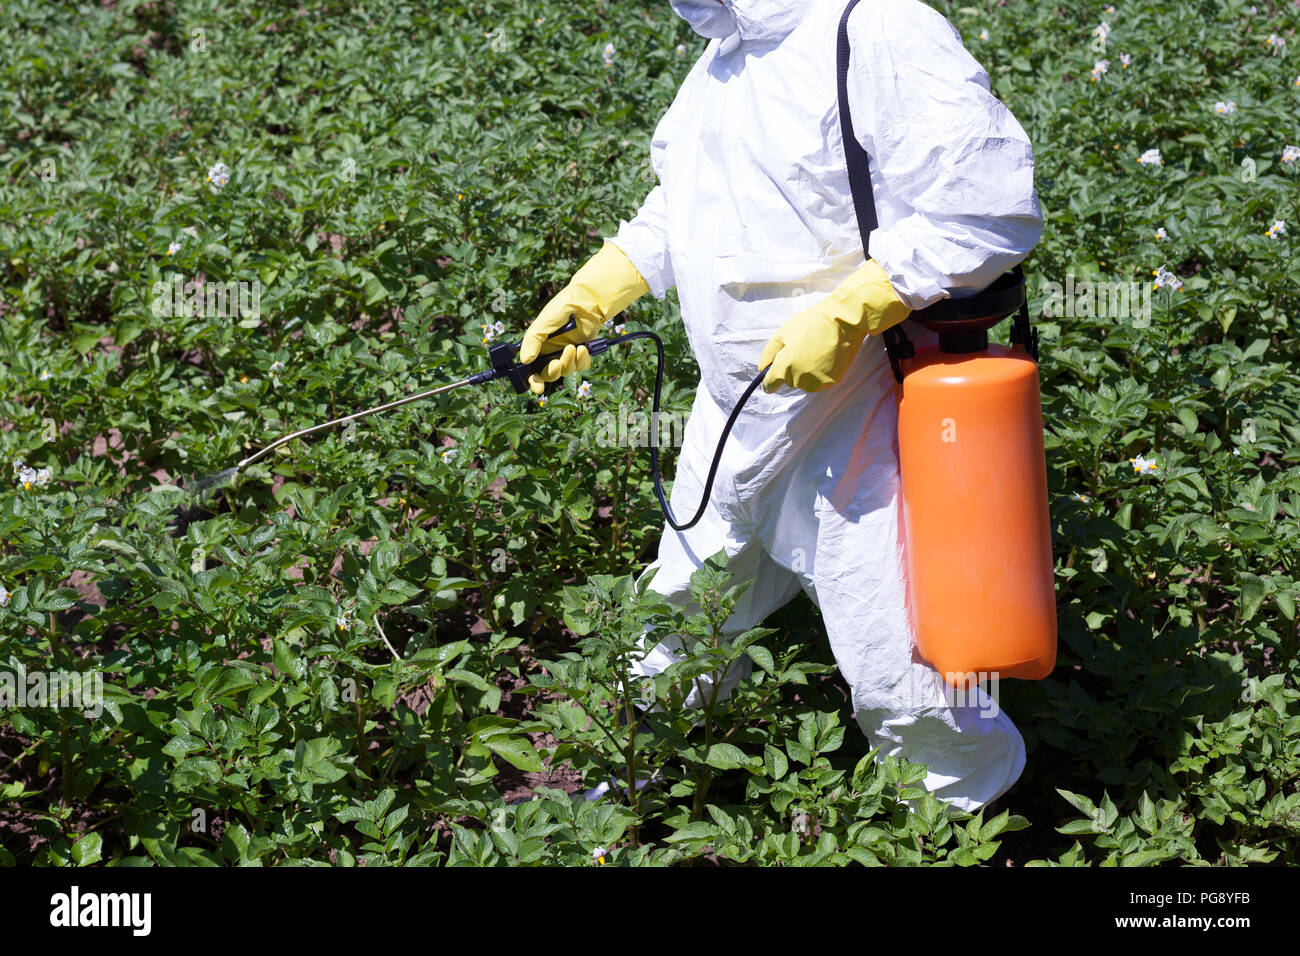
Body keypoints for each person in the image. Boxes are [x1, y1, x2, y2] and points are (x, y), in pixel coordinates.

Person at [518, 0, 1043, 812]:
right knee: (682, 609)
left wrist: (862, 302)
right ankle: (634, 781)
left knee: (899, 655)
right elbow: (684, 207)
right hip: (732, 408)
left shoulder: (877, 27)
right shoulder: (722, 62)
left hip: (860, 408)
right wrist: (603, 285)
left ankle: (960, 817)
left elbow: (985, 200)